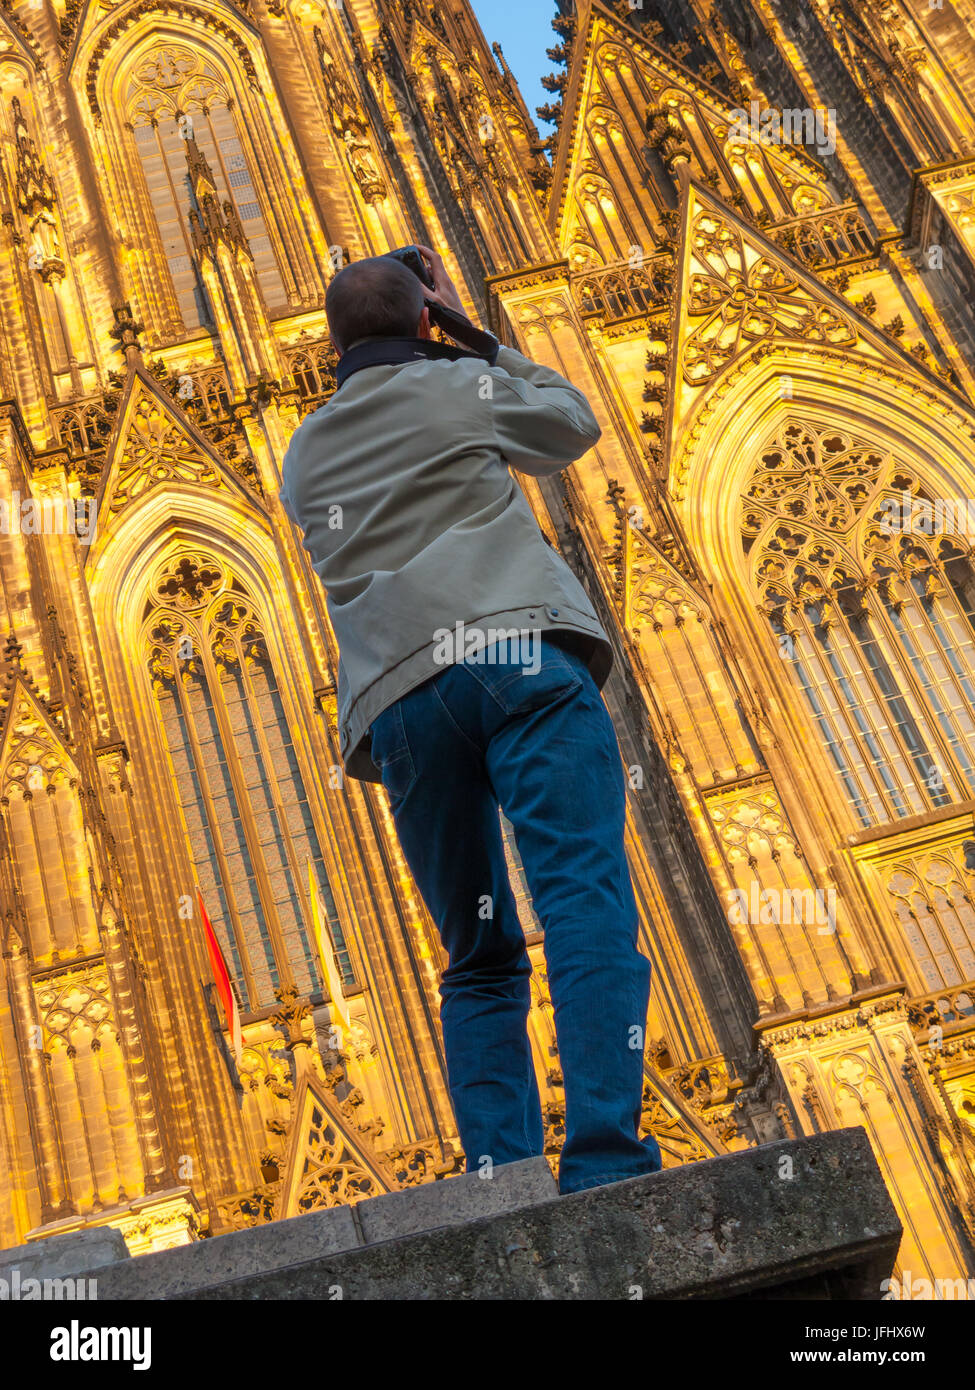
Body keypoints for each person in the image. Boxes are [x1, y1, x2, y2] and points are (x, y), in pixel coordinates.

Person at [279, 245, 662, 1194]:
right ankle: (606, 1159)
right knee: (581, 900)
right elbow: (570, 424)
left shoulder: (304, 451)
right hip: (513, 661)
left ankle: (502, 1181)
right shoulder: (456, 387)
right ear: (423, 321)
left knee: (476, 957)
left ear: (333, 344)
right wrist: (477, 339)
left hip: (402, 711)